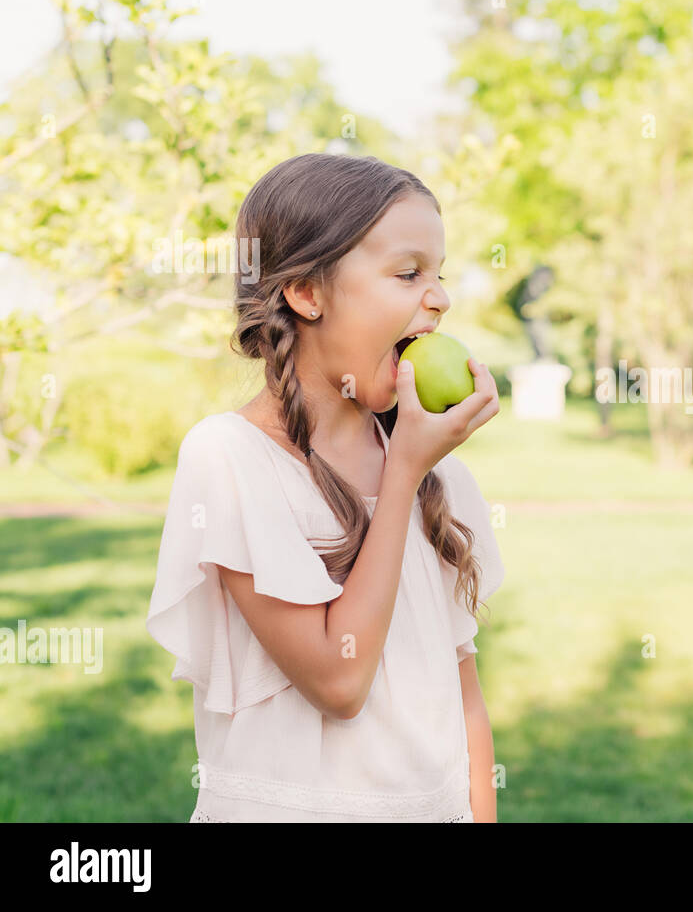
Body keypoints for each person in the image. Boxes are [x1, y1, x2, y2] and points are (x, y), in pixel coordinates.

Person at [146, 153, 503, 821]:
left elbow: (465, 699)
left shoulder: (435, 469)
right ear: (306, 293)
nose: (441, 297)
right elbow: (339, 681)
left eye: (440, 274)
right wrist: (403, 475)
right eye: (408, 272)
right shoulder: (230, 457)